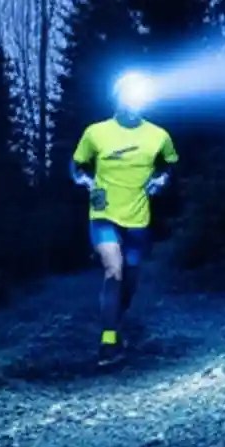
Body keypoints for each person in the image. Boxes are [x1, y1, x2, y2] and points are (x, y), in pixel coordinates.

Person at [71, 73, 178, 366]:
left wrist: (161, 180)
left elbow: (171, 164)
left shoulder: (159, 135)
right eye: (129, 96)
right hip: (103, 214)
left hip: (138, 218)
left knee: (129, 280)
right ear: (117, 98)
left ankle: (115, 321)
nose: (134, 102)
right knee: (113, 270)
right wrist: (85, 181)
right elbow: (77, 164)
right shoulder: (95, 132)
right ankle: (108, 342)